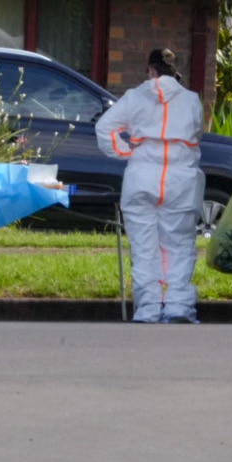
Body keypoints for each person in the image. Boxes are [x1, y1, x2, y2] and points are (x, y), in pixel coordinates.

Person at [95, 47, 205, 323]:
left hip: (142, 176)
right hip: (180, 179)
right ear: (174, 71)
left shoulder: (134, 98)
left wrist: (126, 152)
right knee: (178, 245)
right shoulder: (191, 100)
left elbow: (104, 127)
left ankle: (148, 308)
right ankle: (179, 305)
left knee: (144, 247)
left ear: (151, 70)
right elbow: (196, 135)